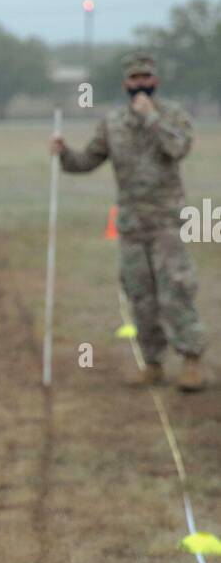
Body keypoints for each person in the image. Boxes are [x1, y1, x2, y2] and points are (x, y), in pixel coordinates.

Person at [51, 53, 205, 390]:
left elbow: (178, 148)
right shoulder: (113, 123)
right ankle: (152, 362)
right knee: (141, 296)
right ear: (125, 84)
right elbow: (86, 161)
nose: (140, 85)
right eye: (134, 79)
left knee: (175, 291)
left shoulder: (171, 116)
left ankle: (191, 359)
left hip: (166, 222)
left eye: (145, 78)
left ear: (156, 82)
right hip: (132, 226)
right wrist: (64, 153)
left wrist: (151, 119)